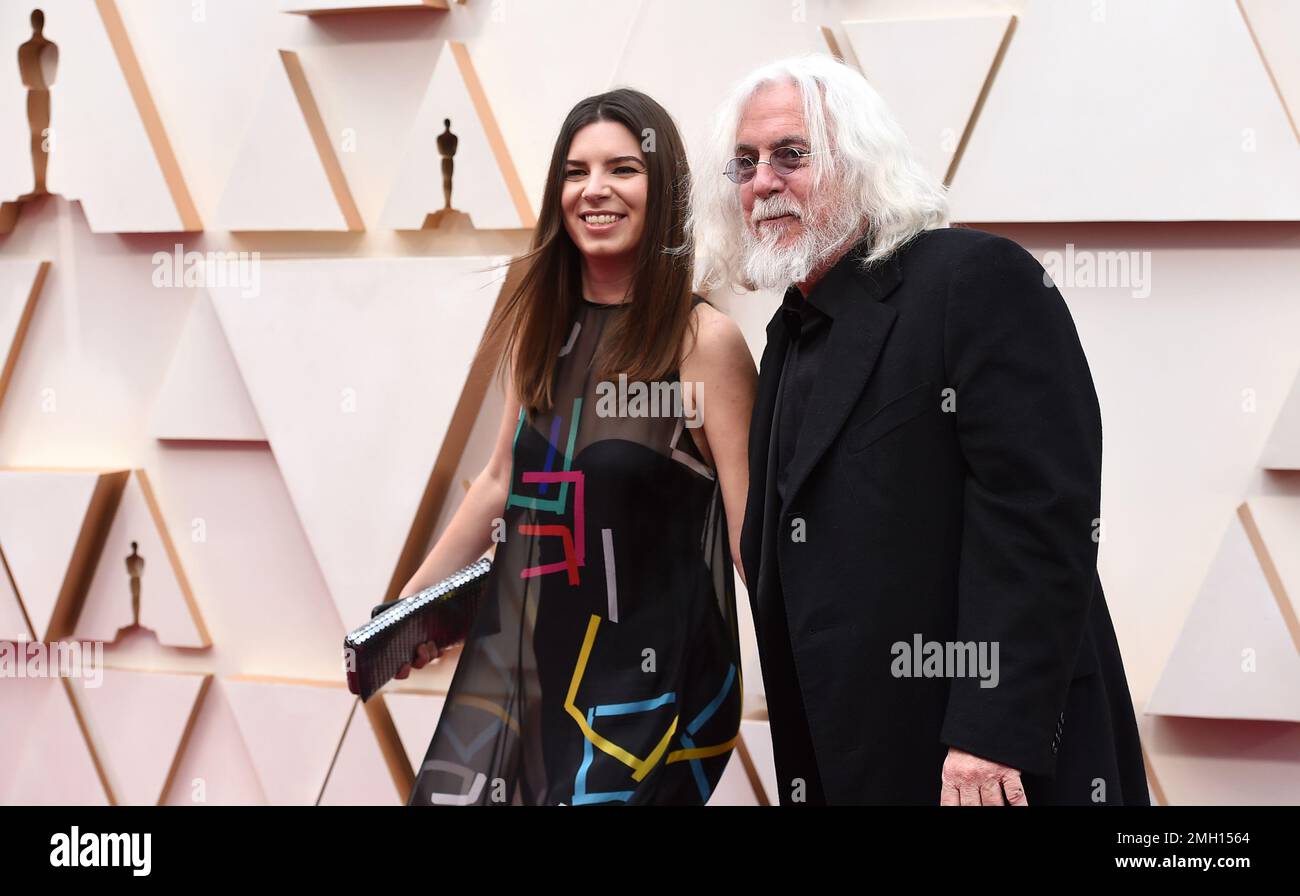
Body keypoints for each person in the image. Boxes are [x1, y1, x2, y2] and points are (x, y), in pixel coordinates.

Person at [688, 54, 1148, 806]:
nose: (763, 180)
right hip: (859, 763)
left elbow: (1040, 518)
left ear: (859, 163)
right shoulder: (786, 338)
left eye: (791, 155)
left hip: (990, 766)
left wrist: (990, 731)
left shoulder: (972, 278)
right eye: (744, 163)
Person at [394, 88, 757, 805]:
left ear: (664, 191)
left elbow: (752, 542)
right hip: (525, 669)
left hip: (647, 697)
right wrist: (407, 611)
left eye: (623, 169)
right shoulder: (540, 323)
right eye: (574, 171)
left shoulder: (703, 344)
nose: (594, 191)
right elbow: (499, 480)